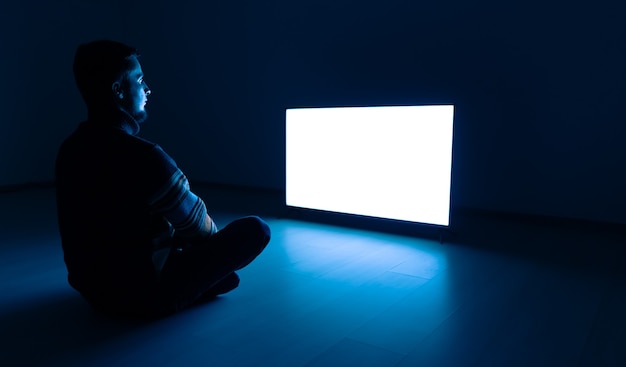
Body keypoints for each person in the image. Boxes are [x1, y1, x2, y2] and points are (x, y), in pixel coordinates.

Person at [55, 40, 271, 319]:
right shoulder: (145, 157)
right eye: (140, 79)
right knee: (256, 231)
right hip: (144, 296)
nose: (147, 89)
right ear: (118, 91)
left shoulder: (69, 149)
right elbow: (202, 231)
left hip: (91, 292)